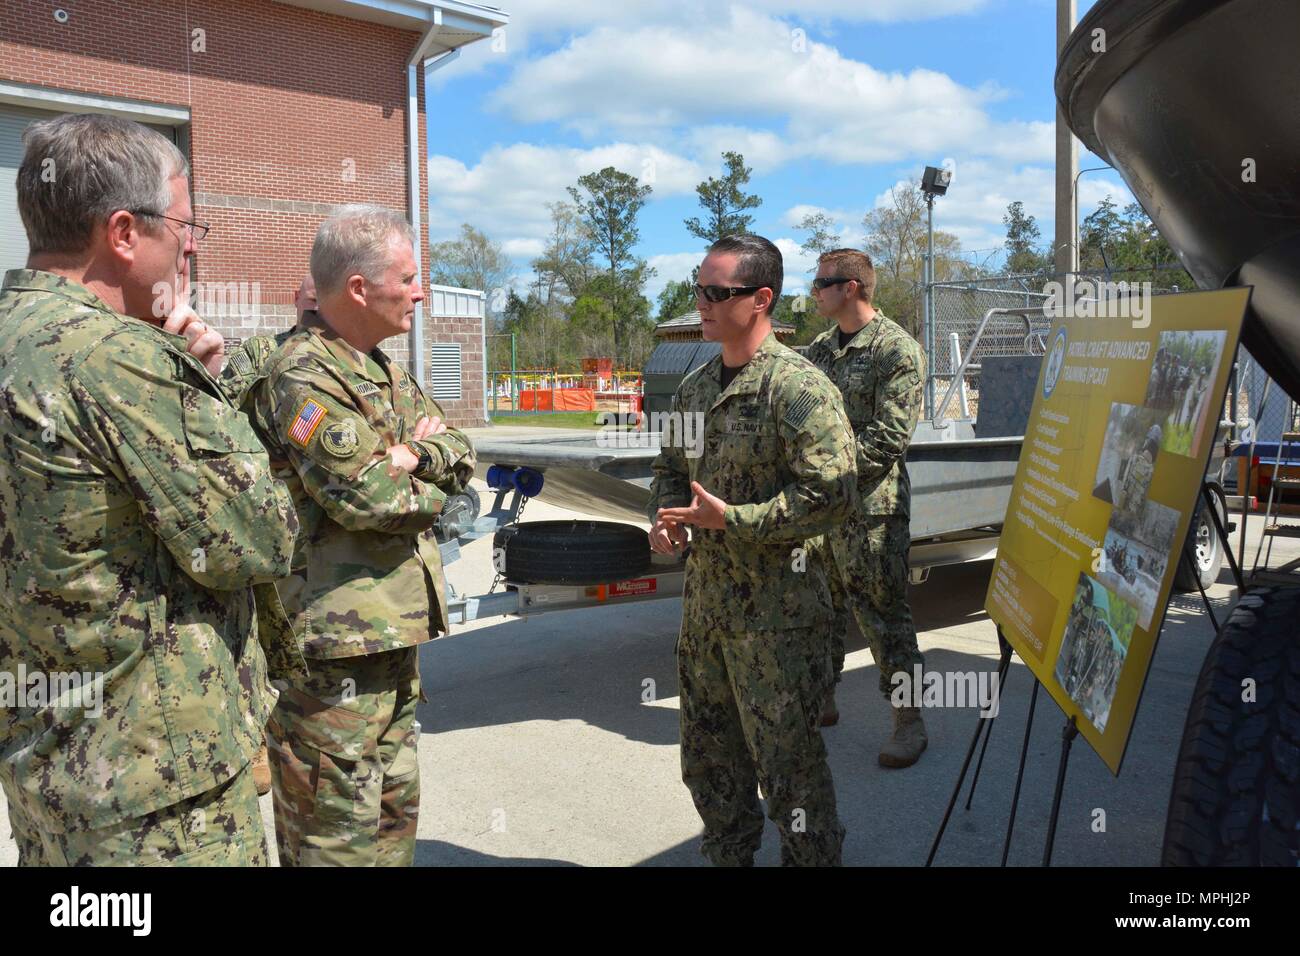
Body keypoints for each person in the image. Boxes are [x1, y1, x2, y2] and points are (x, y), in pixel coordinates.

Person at [0, 113, 299, 866]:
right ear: (124, 233)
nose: (193, 245)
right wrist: (198, 383)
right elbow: (259, 536)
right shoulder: (119, 361)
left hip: (45, 772)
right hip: (160, 800)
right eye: (187, 225)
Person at [245, 204, 475, 866]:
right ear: (358, 289)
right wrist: (401, 465)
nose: (421, 291)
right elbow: (369, 497)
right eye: (408, 277)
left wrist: (416, 457)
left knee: (390, 833)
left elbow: (459, 449)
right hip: (330, 657)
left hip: (391, 643)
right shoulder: (303, 373)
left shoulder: (379, 369)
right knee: (334, 845)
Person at [648, 234, 856, 866]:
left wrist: (731, 518)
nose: (702, 304)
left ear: (761, 299)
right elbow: (668, 469)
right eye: (698, 289)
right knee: (711, 769)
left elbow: (835, 492)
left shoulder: (798, 390)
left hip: (781, 624)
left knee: (792, 778)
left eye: (716, 292)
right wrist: (663, 519)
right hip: (708, 618)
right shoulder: (694, 390)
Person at [804, 249, 929, 767]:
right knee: (819, 608)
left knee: (882, 615)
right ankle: (822, 698)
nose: (814, 291)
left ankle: (909, 720)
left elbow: (888, 438)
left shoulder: (896, 350)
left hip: (873, 508)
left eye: (822, 283)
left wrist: (827, 481)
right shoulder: (819, 350)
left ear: (852, 287)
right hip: (823, 509)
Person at [222, 273, 317, 797]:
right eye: (309, 296)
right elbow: (225, 419)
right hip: (268, 516)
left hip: (313, 530)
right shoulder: (262, 354)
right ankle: (259, 737)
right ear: (296, 297)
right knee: (257, 631)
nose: (316, 305)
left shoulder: (349, 364)